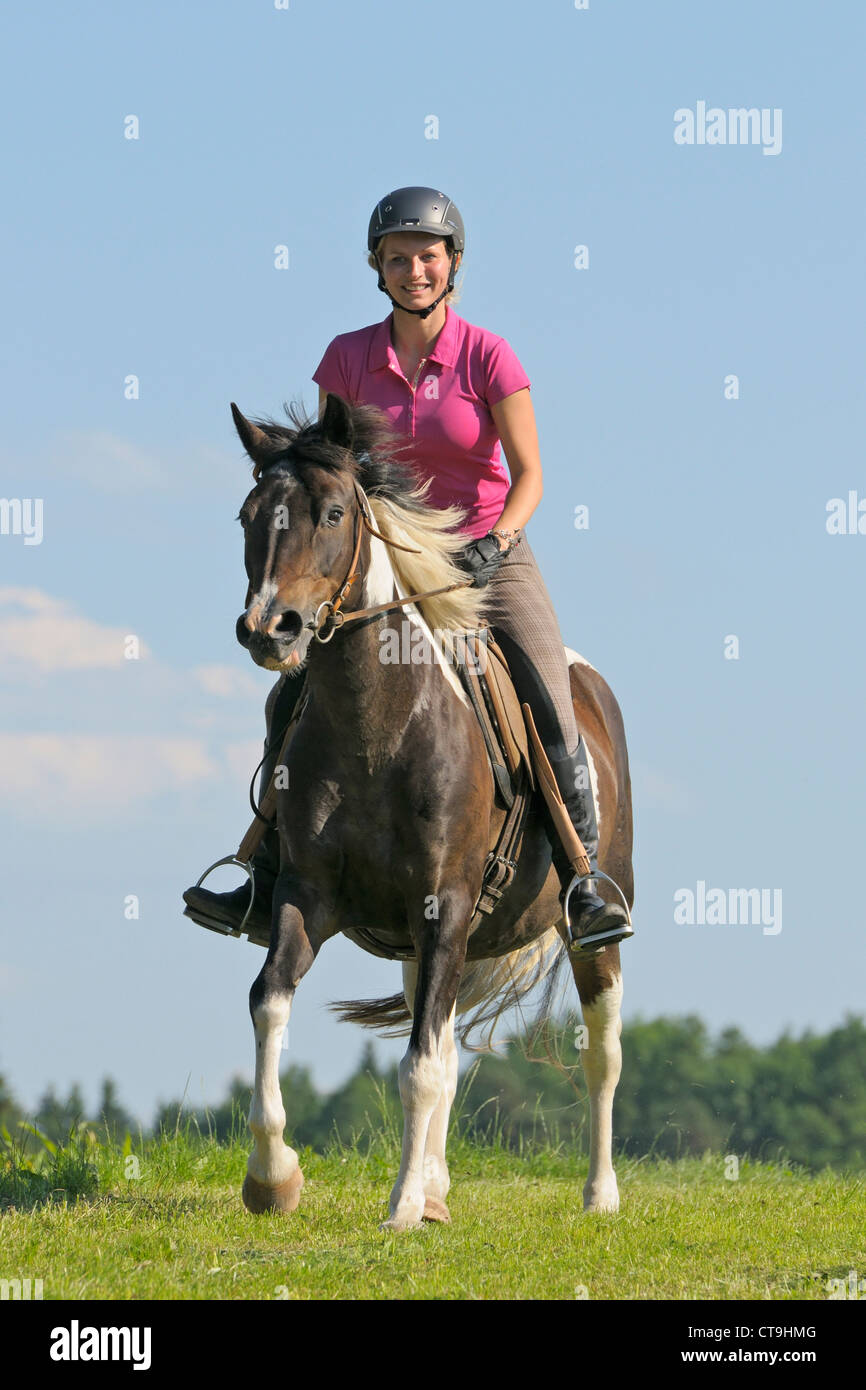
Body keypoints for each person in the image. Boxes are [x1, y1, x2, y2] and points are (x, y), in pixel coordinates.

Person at [183, 186, 632, 954]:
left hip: (487, 554)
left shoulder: (491, 356)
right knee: (293, 696)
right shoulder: (347, 357)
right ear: (378, 269)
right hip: (385, 557)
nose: (413, 269)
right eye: (398, 258)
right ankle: (261, 871)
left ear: (452, 264)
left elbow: (531, 476)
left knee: (548, 694)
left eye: (427, 256)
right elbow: (328, 472)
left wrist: (499, 540)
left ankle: (584, 878)